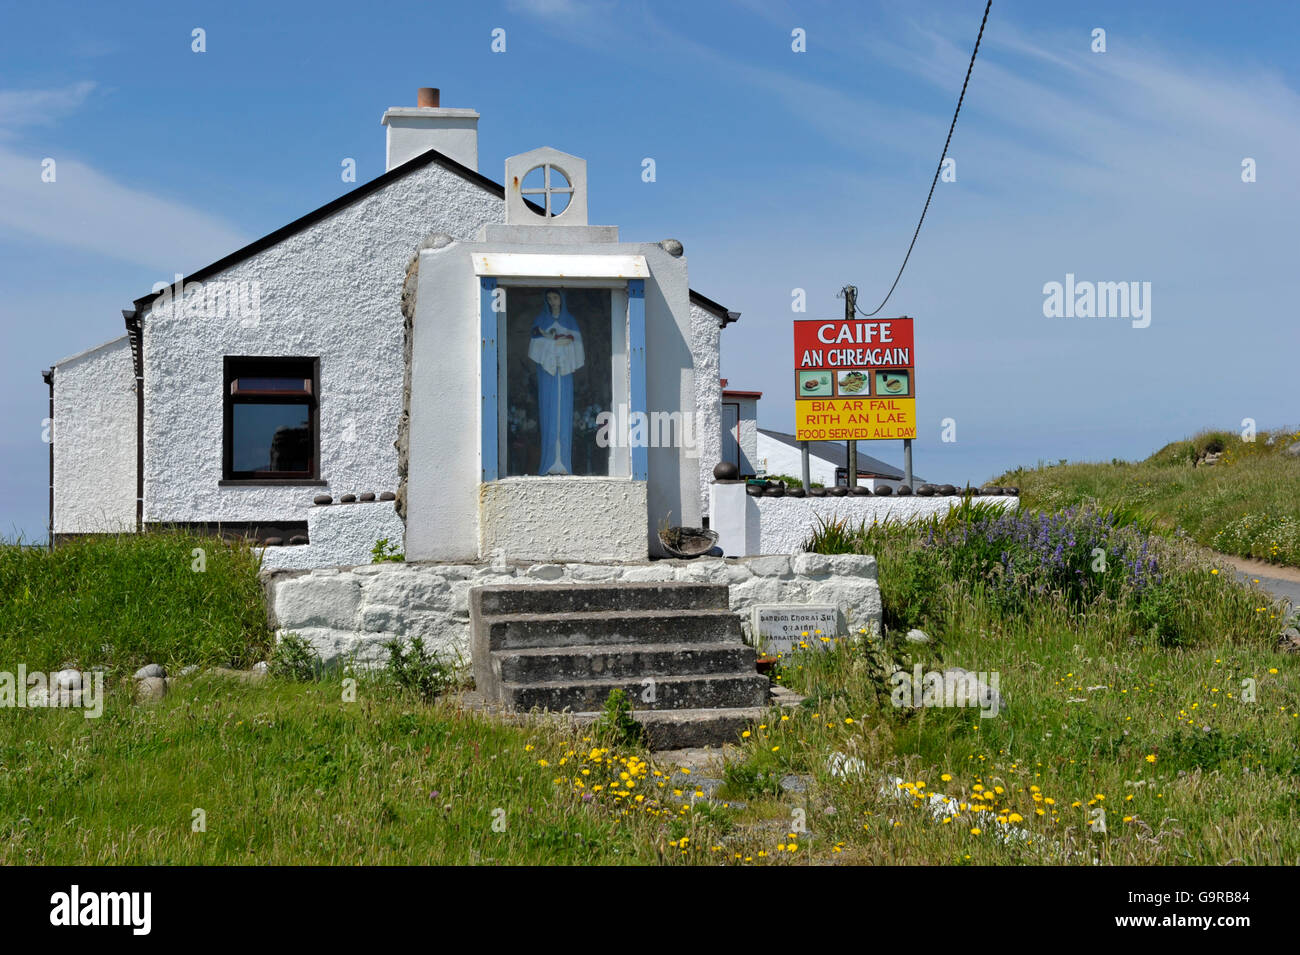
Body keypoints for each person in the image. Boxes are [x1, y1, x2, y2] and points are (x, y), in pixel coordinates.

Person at [528, 288, 584, 474]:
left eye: (555, 297)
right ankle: (549, 462)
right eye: (549, 298)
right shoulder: (541, 321)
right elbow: (535, 346)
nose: (553, 301)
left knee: (564, 413)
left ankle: (564, 464)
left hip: (565, 373)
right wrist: (553, 343)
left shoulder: (570, 322)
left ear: (562, 299)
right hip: (548, 374)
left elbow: (577, 346)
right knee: (549, 412)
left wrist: (563, 344)